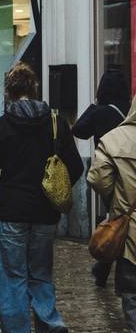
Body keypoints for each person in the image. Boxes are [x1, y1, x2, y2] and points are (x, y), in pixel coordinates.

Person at [0, 62, 82, 333]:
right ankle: (50, 322)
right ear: (34, 90)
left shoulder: (1, 127)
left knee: (13, 277)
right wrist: (55, 189)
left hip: (12, 213)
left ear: (8, 92)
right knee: (41, 273)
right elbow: (77, 166)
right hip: (46, 214)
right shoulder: (56, 123)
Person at [74, 67, 131, 286]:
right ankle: (105, 268)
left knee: (116, 218)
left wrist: (95, 105)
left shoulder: (100, 113)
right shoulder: (130, 109)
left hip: (110, 174)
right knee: (122, 219)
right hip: (130, 171)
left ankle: (107, 267)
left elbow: (79, 130)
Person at [88, 100, 136, 332]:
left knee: (132, 293)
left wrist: (118, 199)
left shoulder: (114, 139)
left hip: (131, 233)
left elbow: (98, 179)